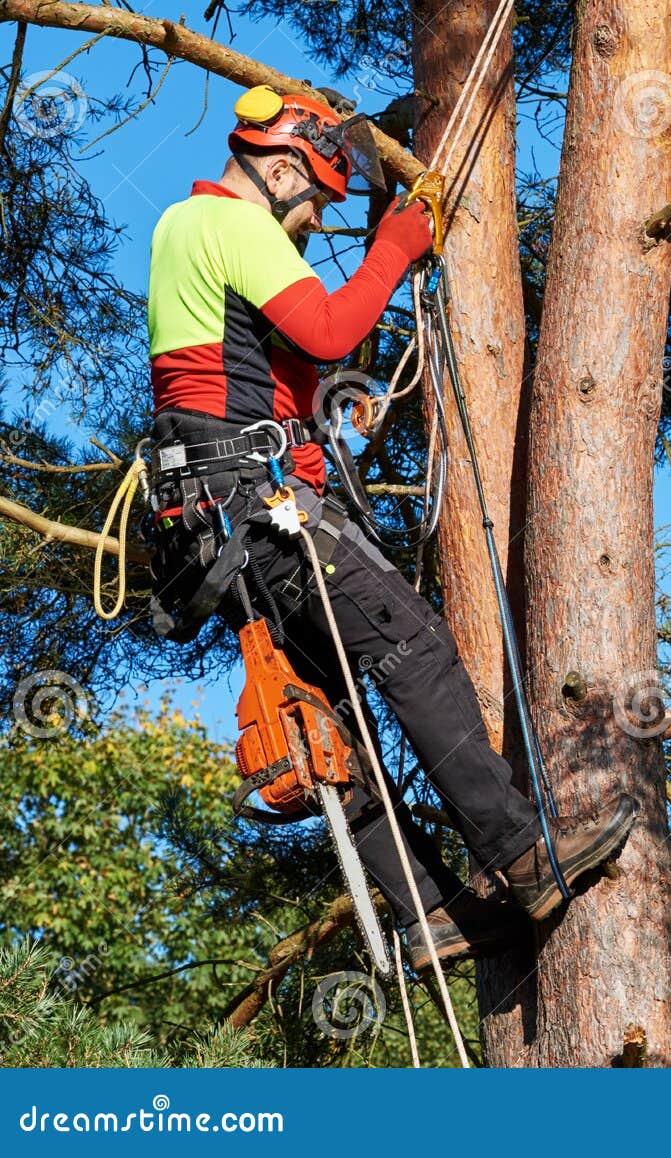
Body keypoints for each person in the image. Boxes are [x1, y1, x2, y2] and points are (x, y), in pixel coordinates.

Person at [143, 86, 636, 969]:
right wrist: (398, 244)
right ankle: (525, 855)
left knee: (333, 724)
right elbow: (329, 329)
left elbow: (275, 360)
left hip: (218, 525)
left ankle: (430, 914)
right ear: (284, 166)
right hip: (254, 510)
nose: (312, 220)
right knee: (413, 646)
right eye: (317, 202)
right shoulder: (228, 222)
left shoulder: (186, 234)